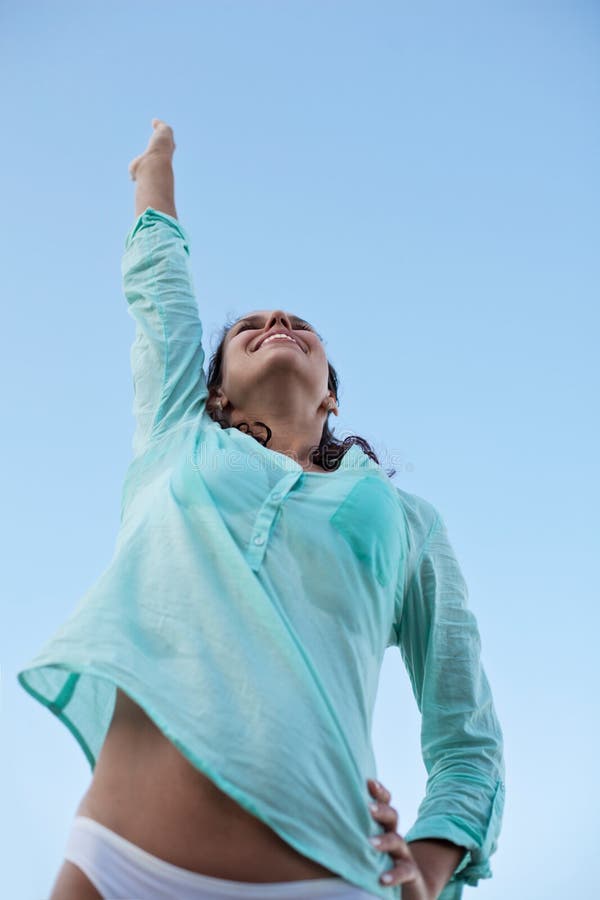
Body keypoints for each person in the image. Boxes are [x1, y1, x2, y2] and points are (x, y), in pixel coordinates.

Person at [18, 120, 505, 900]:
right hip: (117, 864)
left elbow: (467, 737)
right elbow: (161, 292)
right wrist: (155, 175)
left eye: (297, 325)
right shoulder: (180, 439)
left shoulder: (408, 522)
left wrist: (432, 861)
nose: (276, 323)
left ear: (333, 392)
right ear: (213, 391)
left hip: (330, 878)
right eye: (249, 326)